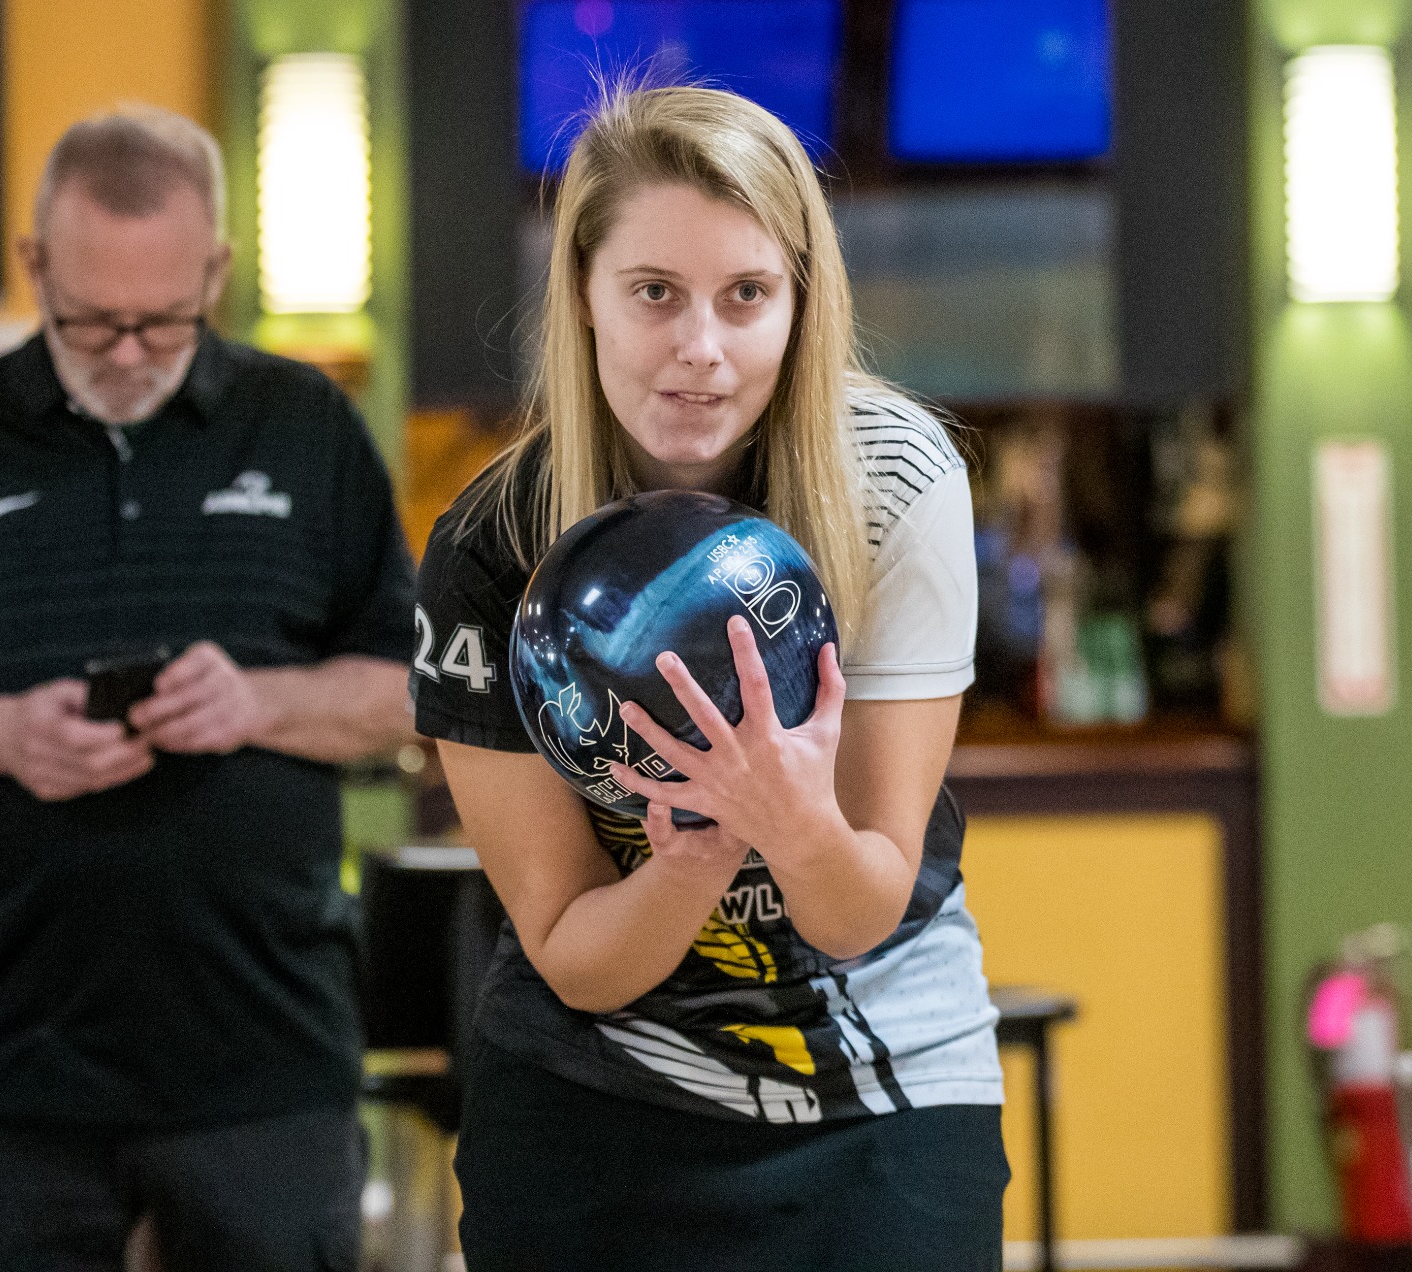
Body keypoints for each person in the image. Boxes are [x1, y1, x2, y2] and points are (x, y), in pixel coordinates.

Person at [413, 86, 1009, 1270]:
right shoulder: (491, 544)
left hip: (880, 1084)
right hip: (591, 1096)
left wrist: (788, 825)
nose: (701, 346)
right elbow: (575, 954)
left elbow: (856, 908)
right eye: (652, 293)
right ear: (582, 294)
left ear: (800, 302)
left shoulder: (892, 477)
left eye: (746, 296)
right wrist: (694, 851)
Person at [0, 106, 416, 1272]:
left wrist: (260, 704)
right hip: (12, 1074)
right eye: (92, 321)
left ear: (218, 272)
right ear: (36, 267)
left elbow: (408, 691)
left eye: (164, 320)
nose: (132, 353)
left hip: (267, 1062)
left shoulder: (308, 428)